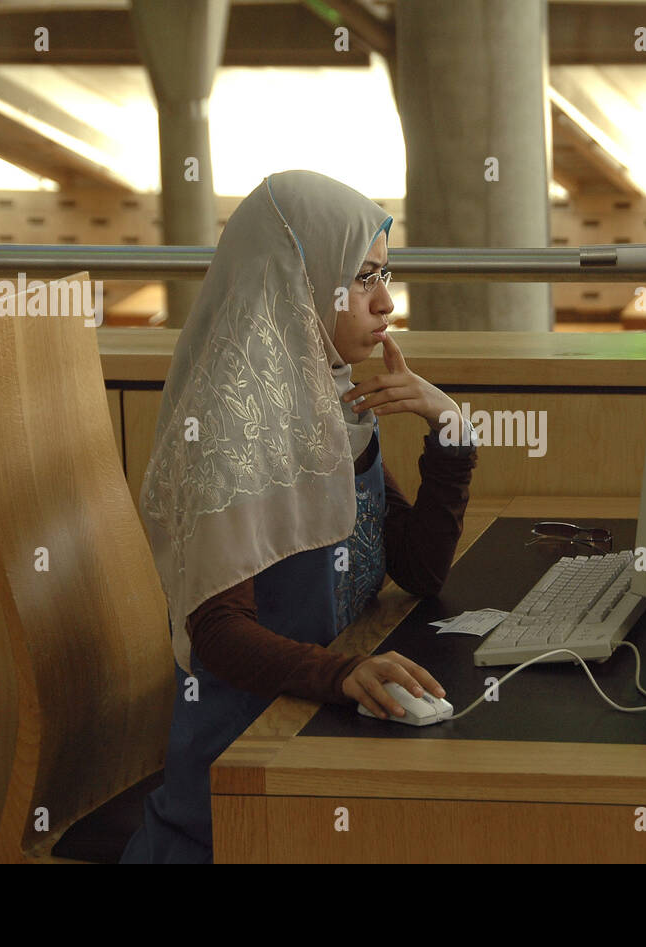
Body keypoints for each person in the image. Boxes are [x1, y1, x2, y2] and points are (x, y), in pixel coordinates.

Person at [122, 170, 478, 863]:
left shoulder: (332, 400)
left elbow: (418, 566)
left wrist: (450, 428)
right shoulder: (229, 425)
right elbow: (218, 632)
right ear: (299, 280)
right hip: (245, 781)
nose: (386, 303)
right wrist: (342, 675)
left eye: (386, 276)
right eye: (364, 278)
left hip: (322, 736)